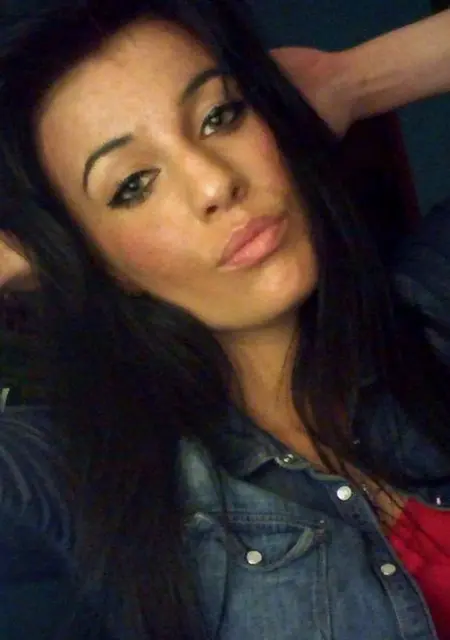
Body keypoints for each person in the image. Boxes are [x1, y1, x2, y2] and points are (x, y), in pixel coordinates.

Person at [0, 2, 449, 639]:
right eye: (134, 185)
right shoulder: (89, 483)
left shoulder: (430, 306)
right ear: (95, 260)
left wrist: (347, 80)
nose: (215, 183)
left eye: (220, 116)